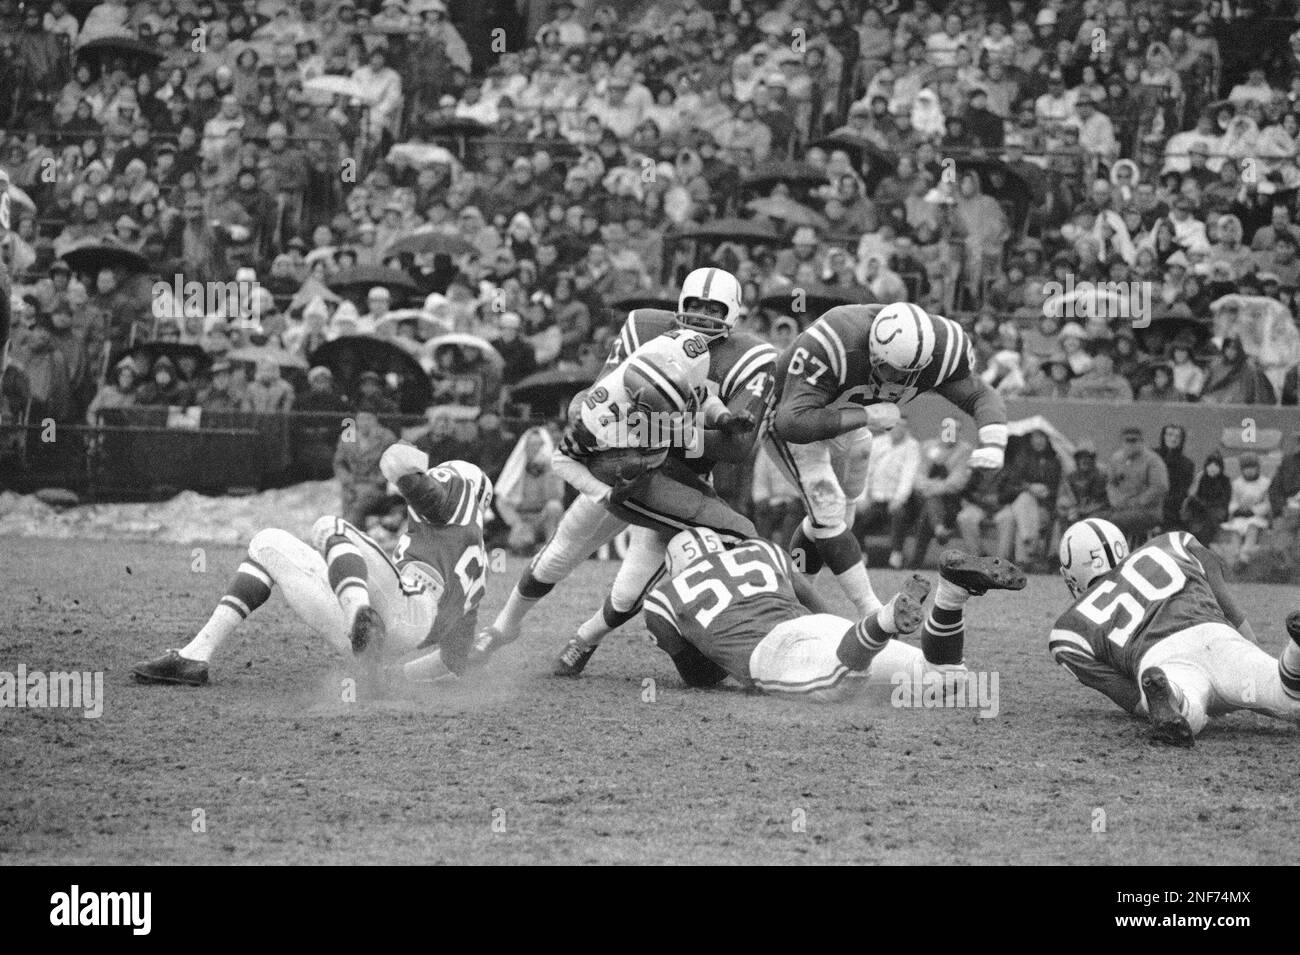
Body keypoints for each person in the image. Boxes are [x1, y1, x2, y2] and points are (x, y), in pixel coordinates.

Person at [476, 269, 774, 677]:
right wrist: (582, 409)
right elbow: (595, 393)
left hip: (679, 480)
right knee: (557, 554)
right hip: (618, 471)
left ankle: (585, 639)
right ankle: (502, 627)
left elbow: (736, 446)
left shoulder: (751, 356)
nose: (703, 316)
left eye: (714, 308)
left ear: (733, 313)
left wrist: (673, 428)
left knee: (630, 590)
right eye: (696, 306)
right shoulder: (644, 328)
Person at [132, 454, 492, 686]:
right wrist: (394, 676)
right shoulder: (476, 564)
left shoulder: (452, 500)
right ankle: (196, 655)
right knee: (267, 544)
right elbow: (451, 661)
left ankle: (360, 618)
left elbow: (400, 465)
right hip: (398, 632)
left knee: (329, 528)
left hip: (406, 605)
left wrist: (410, 461)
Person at [766, 302, 1007, 621]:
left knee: (837, 519)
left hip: (845, 423)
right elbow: (792, 422)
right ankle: (871, 611)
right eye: (886, 367)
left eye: (905, 373)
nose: (894, 379)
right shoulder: (838, 339)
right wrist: (866, 414)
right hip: (791, 413)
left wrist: (994, 440)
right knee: (829, 510)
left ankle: (792, 595)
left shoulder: (940, 351)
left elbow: (980, 394)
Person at [644, 527, 1024, 700]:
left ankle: (886, 619)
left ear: (675, 565)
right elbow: (810, 596)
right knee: (949, 680)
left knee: (837, 684)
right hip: (821, 627)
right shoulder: (762, 549)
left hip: (773, 654)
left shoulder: (662, 599)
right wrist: (840, 629)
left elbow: (700, 677)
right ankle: (952, 592)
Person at [1050, 518, 1300, 746]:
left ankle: (1173, 697)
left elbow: (1131, 697)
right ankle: (1295, 651)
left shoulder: (1068, 632)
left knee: (1186, 709)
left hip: (1160, 657)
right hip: (1213, 632)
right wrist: (1250, 643)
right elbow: (1215, 579)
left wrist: (1152, 702)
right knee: (1284, 693)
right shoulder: (1171, 542)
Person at [855, 415, 921, 569]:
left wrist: (899, 499)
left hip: (899, 500)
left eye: (903, 426)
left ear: (907, 429)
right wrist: (863, 497)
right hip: (875, 499)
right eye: (896, 425)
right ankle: (860, 556)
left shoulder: (912, 446)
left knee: (900, 514)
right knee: (855, 514)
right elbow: (865, 471)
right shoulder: (876, 443)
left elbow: (908, 475)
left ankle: (896, 556)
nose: (899, 429)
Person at [990, 429, 1062, 568]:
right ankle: (1011, 557)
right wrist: (1029, 488)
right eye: (1036, 437)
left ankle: (1020, 561)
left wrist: (1042, 492)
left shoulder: (1054, 463)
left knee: (1016, 514)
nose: (1039, 441)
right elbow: (1008, 489)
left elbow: (1054, 492)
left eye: (1042, 437)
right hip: (1015, 504)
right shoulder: (1021, 460)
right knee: (1012, 511)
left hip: (1042, 507)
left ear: (1048, 440)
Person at [494, 427, 564, 554]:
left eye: (539, 444)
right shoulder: (516, 470)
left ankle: (550, 546)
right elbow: (501, 500)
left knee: (554, 506)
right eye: (531, 444)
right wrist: (516, 522)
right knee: (520, 543)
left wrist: (547, 471)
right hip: (522, 518)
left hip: (543, 517)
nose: (535, 448)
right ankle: (526, 544)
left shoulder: (553, 469)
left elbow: (557, 496)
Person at [332, 409, 397, 529]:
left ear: (376, 420)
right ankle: (353, 531)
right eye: (361, 419)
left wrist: (380, 480)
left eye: (369, 419)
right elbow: (339, 462)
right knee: (348, 498)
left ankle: (351, 533)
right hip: (352, 483)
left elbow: (394, 464)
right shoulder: (348, 435)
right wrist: (346, 479)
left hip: (376, 485)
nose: (364, 423)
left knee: (359, 501)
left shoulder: (387, 437)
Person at [1103, 426, 1169, 543]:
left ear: (1142, 442)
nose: (1130, 444)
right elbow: (1110, 484)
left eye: (1134, 440)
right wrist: (1115, 500)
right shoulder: (1116, 459)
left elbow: (1159, 487)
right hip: (1120, 509)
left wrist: (1137, 502)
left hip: (1148, 512)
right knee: (1097, 520)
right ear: (1122, 442)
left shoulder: (1153, 461)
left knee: (1115, 521)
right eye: (1127, 441)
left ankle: (1120, 555)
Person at [1221, 452, 1271, 568]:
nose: (1249, 471)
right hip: (1241, 516)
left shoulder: (1265, 483)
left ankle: (1244, 556)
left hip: (1256, 517)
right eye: (1246, 468)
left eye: (1252, 468)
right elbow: (1233, 501)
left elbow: (1267, 504)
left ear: (1257, 468)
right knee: (1236, 530)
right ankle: (1233, 558)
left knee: (1251, 528)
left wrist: (1254, 510)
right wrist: (1237, 510)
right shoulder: (1237, 484)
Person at [1181, 453, 1231, 548]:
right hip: (1200, 509)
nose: (1212, 468)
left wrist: (1208, 505)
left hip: (1216, 510)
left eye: (1216, 465)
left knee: (1208, 523)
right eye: (1210, 465)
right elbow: (1192, 494)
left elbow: (1224, 500)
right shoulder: (1201, 478)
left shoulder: (1225, 481)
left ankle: (1202, 546)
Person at [1155, 424, 1194, 531]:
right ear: (1163, 436)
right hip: (1149, 504)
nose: (1173, 439)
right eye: (1169, 434)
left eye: (1177, 436)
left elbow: (1182, 492)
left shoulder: (1187, 464)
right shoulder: (1153, 457)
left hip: (1171, 509)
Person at [1267, 431, 1300, 553]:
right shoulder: (1287, 463)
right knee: (1279, 548)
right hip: (1287, 511)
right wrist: (1283, 507)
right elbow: (1274, 490)